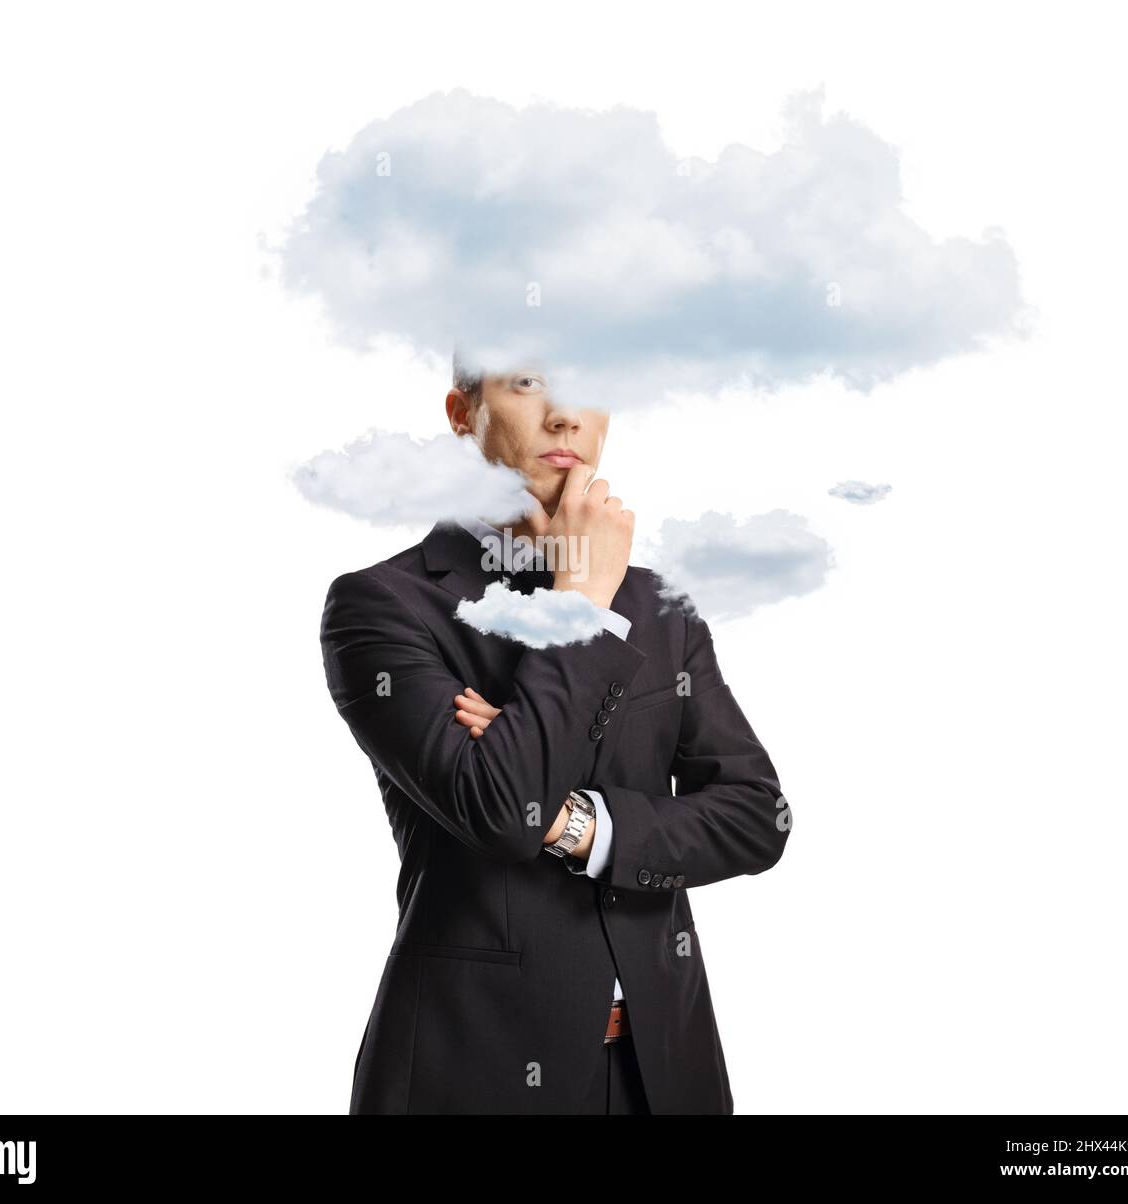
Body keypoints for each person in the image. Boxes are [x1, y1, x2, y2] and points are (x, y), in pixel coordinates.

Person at [319, 358, 792, 1114]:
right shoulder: (383, 605)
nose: (567, 416)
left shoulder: (663, 607)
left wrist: (579, 826)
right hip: (478, 1069)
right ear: (461, 411)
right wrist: (581, 602)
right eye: (530, 382)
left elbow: (755, 817)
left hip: (665, 1068)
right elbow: (502, 812)